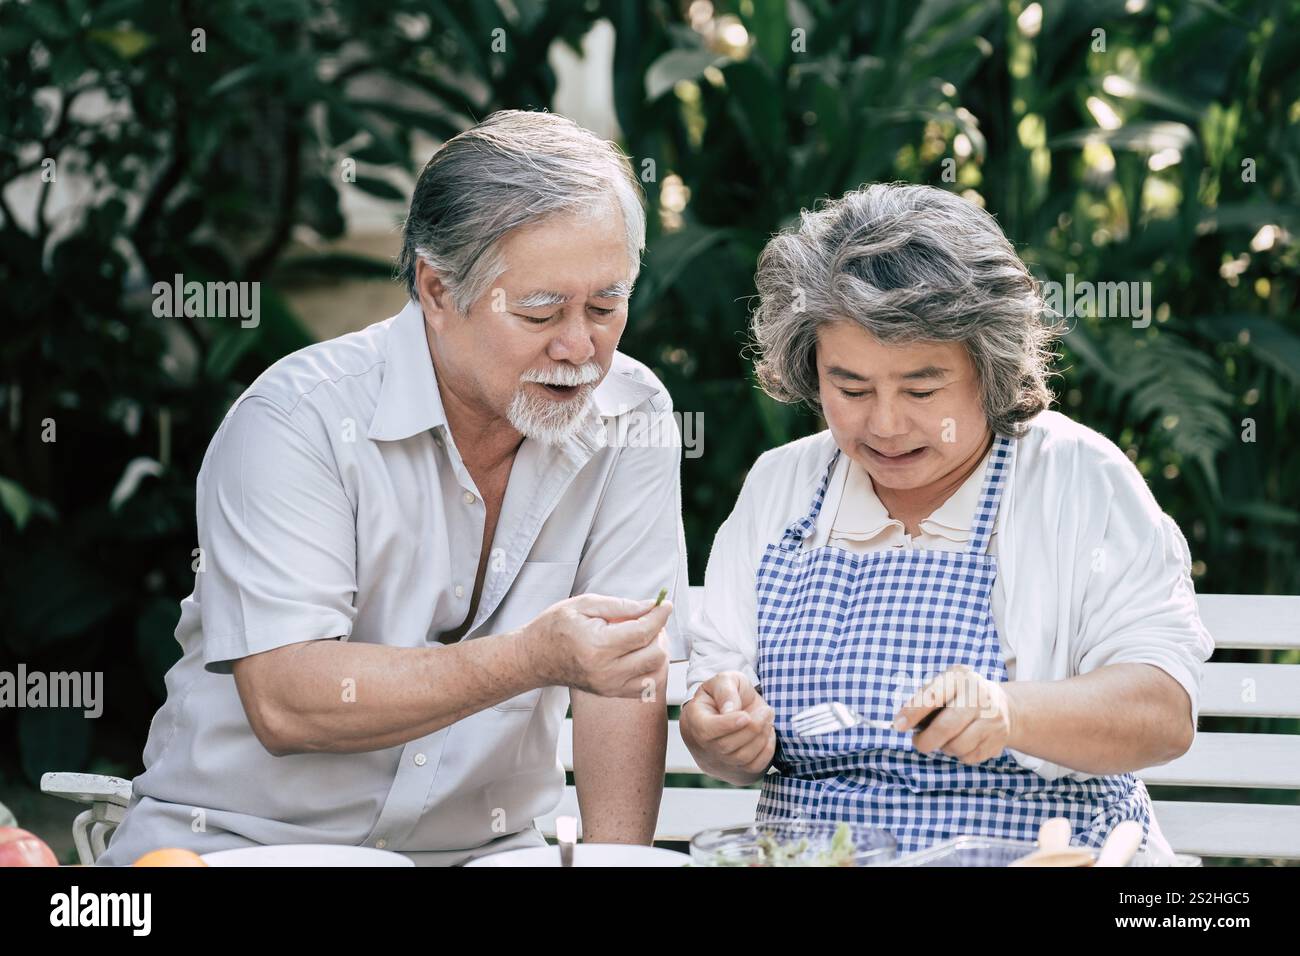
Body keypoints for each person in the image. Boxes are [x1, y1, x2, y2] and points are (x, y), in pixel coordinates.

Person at [99, 111, 689, 866]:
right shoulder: (296, 419)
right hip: (244, 848)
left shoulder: (630, 415)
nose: (580, 347)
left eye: (607, 307)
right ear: (437, 290)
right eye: (541, 310)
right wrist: (532, 659)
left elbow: (620, 674)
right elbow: (285, 699)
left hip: (486, 853)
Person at [682, 183, 1213, 859]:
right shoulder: (779, 488)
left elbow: (1162, 714)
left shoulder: (1079, 477)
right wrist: (721, 734)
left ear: (989, 369)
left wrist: (1009, 711)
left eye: (921, 389)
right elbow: (722, 723)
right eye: (850, 387)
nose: (884, 423)